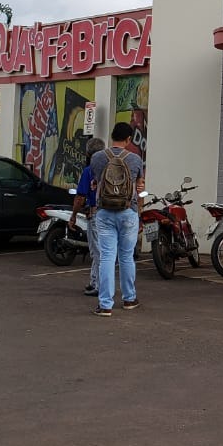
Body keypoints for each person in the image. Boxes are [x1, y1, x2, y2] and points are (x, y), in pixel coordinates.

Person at [91, 123, 145, 317]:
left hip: (104, 211)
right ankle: (129, 298)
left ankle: (105, 304)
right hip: (127, 211)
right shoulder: (135, 159)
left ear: (112, 136)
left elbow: (95, 181)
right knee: (126, 256)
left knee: (106, 256)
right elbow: (140, 186)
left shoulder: (97, 157)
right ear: (129, 139)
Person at [71, 137, 106, 296]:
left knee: (97, 252)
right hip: (111, 212)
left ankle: (100, 285)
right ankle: (93, 281)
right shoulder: (110, 167)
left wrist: (73, 215)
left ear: (88, 153)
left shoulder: (89, 170)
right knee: (101, 250)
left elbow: (80, 197)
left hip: (95, 213)